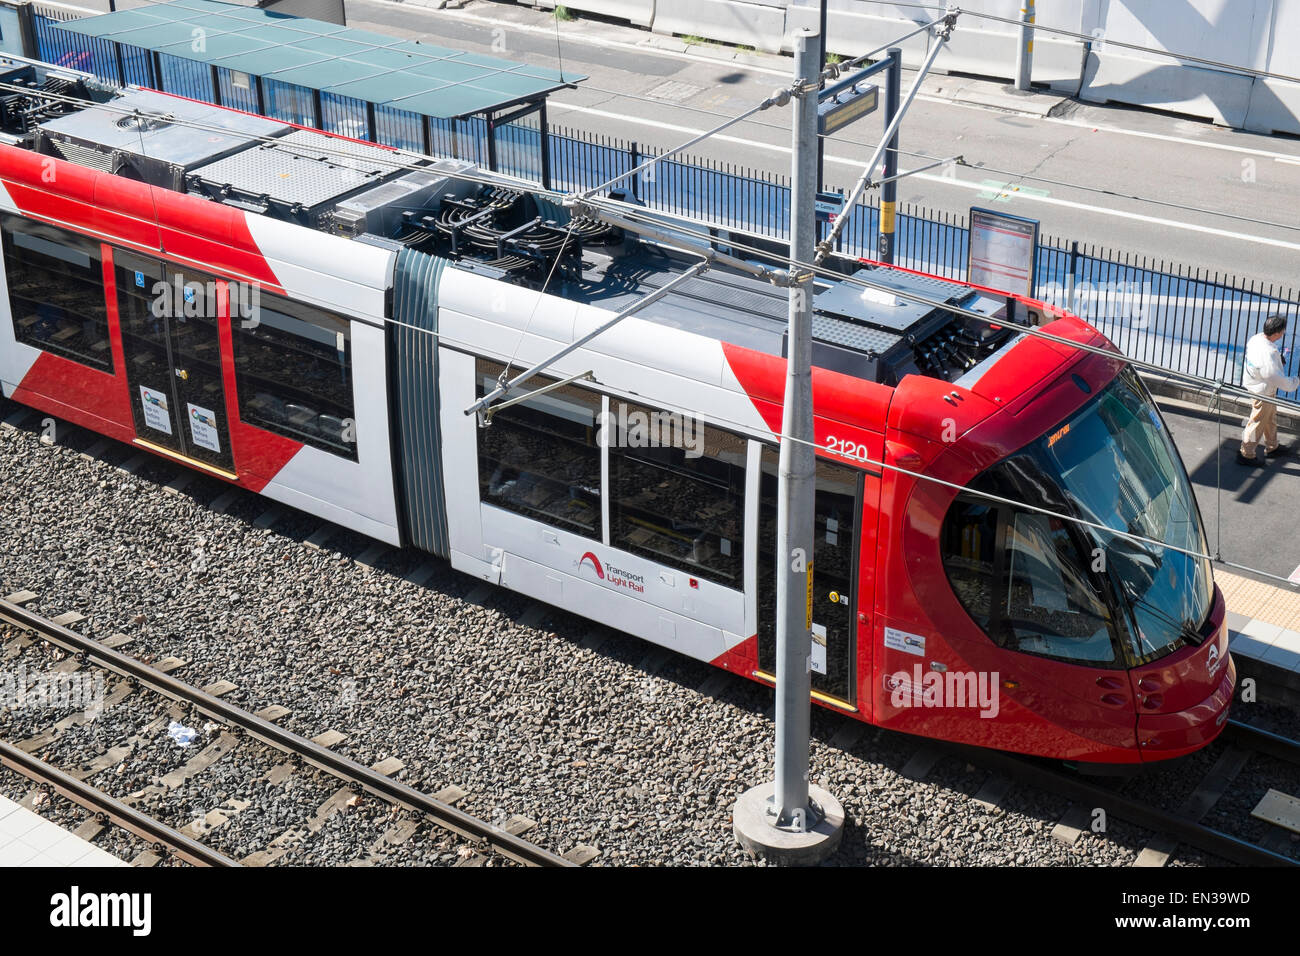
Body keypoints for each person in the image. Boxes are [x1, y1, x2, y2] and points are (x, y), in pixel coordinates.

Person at [1239, 313, 1299, 466]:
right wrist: (1295, 381)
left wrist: (1278, 359)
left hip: (1257, 385)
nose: (1283, 333)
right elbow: (1275, 377)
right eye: (1283, 331)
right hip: (1262, 391)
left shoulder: (1257, 338)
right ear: (1277, 333)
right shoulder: (1268, 354)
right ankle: (1246, 453)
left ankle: (1272, 446)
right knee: (1256, 422)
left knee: (1269, 418)